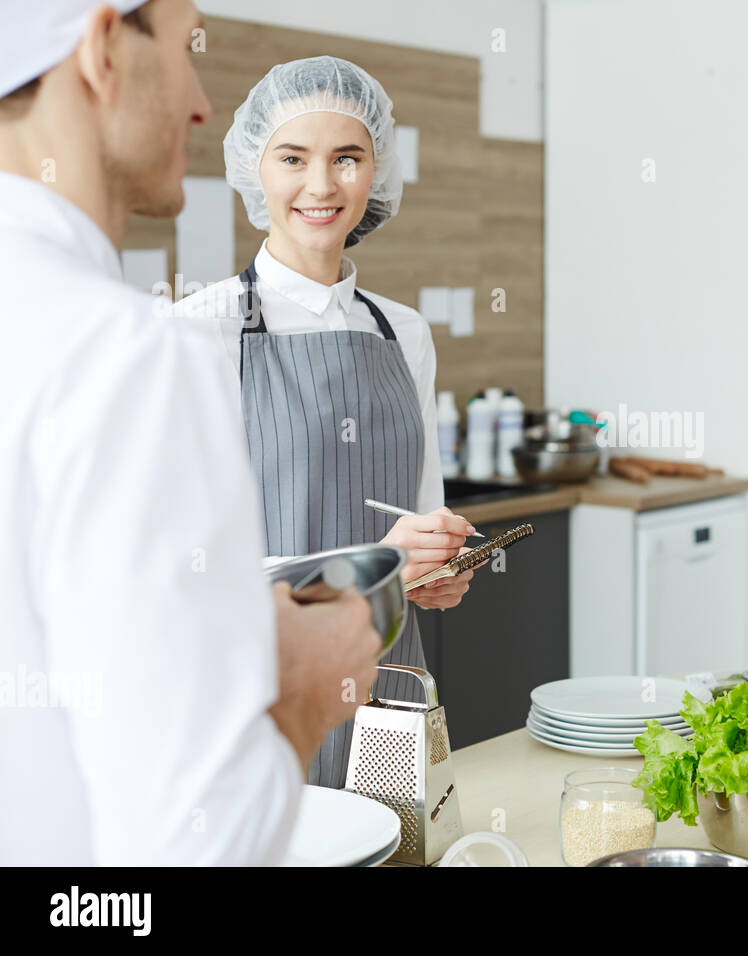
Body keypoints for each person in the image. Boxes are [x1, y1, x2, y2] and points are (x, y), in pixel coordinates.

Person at [0, 0, 382, 864]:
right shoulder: (126, 353)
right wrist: (301, 695)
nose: (203, 103)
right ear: (103, 48)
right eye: (185, 47)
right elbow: (190, 849)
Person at [175, 56, 476, 789]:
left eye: (347, 157)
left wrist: (435, 567)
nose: (321, 185)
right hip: (263, 690)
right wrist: (375, 568)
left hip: (390, 682)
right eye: (293, 158)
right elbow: (183, 575)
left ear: (377, 170)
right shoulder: (197, 333)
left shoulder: (404, 333)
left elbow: (417, 521)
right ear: (256, 169)